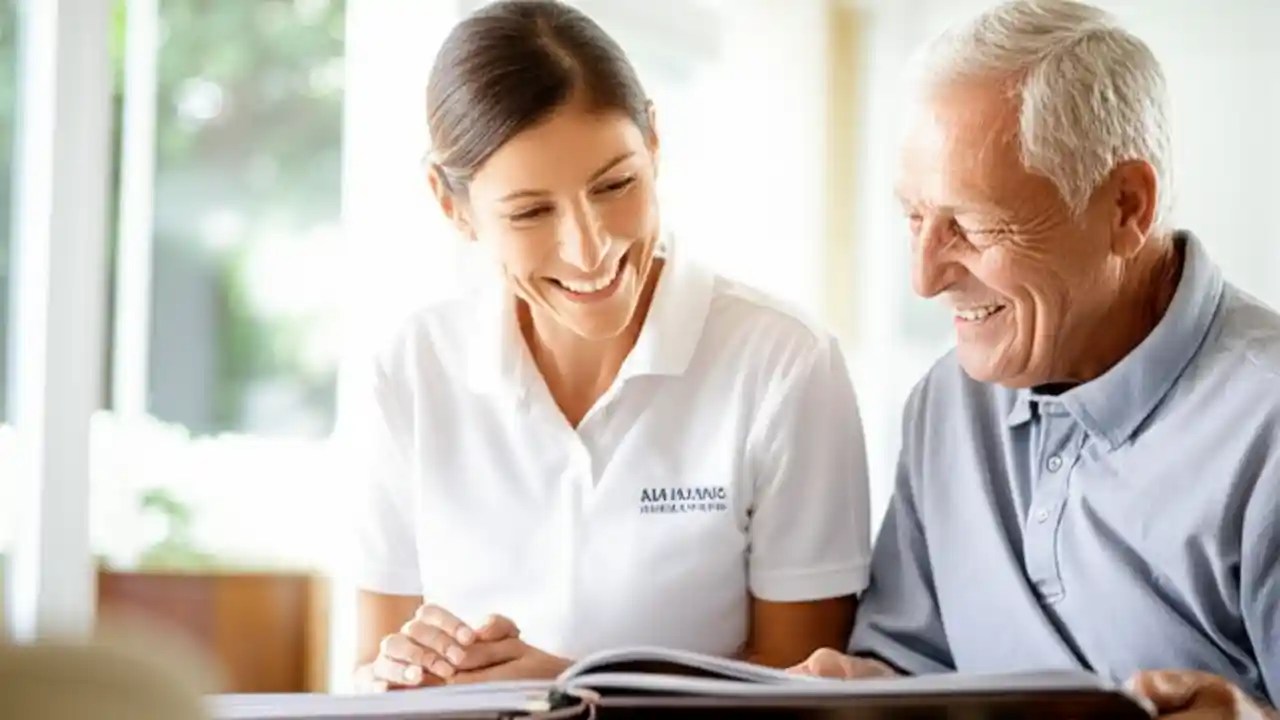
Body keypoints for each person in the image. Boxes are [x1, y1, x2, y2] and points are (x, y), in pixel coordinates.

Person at [347, 0, 872, 691]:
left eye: (616, 184)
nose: (589, 248)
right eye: (532, 211)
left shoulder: (783, 364)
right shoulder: (414, 369)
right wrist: (396, 674)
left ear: (654, 143)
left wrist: (576, 690)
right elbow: (368, 669)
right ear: (455, 208)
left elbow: (806, 690)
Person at [789, 1, 1279, 719]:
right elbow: (919, 662)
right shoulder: (947, 402)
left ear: (1126, 207)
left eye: (975, 225)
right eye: (915, 218)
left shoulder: (1265, 427)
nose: (923, 279)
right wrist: (863, 687)